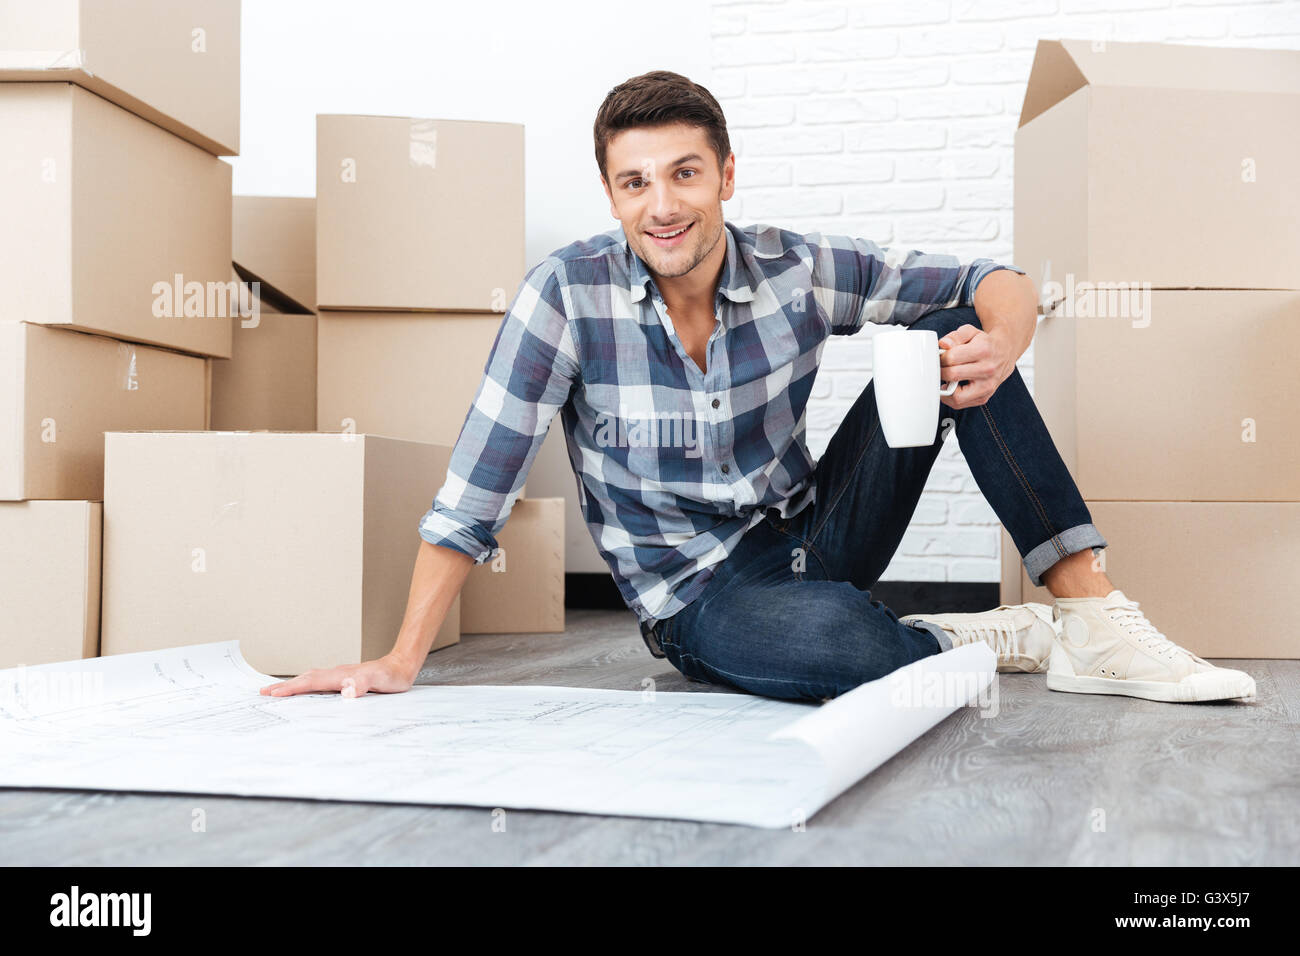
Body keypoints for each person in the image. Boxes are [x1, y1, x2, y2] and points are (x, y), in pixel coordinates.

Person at [263, 70, 1254, 706]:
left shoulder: (795, 266)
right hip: (698, 595)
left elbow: (997, 281)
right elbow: (477, 486)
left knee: (949, 328)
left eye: (684, 173)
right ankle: (967, 637)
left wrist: (1000, 337)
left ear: (726, 174)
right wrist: (398, 657)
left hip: (816, 530)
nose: (663, 204)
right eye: (636, 182)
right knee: (843, 655)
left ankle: (1092, 614)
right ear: (612, 195)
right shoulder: (564, 296)